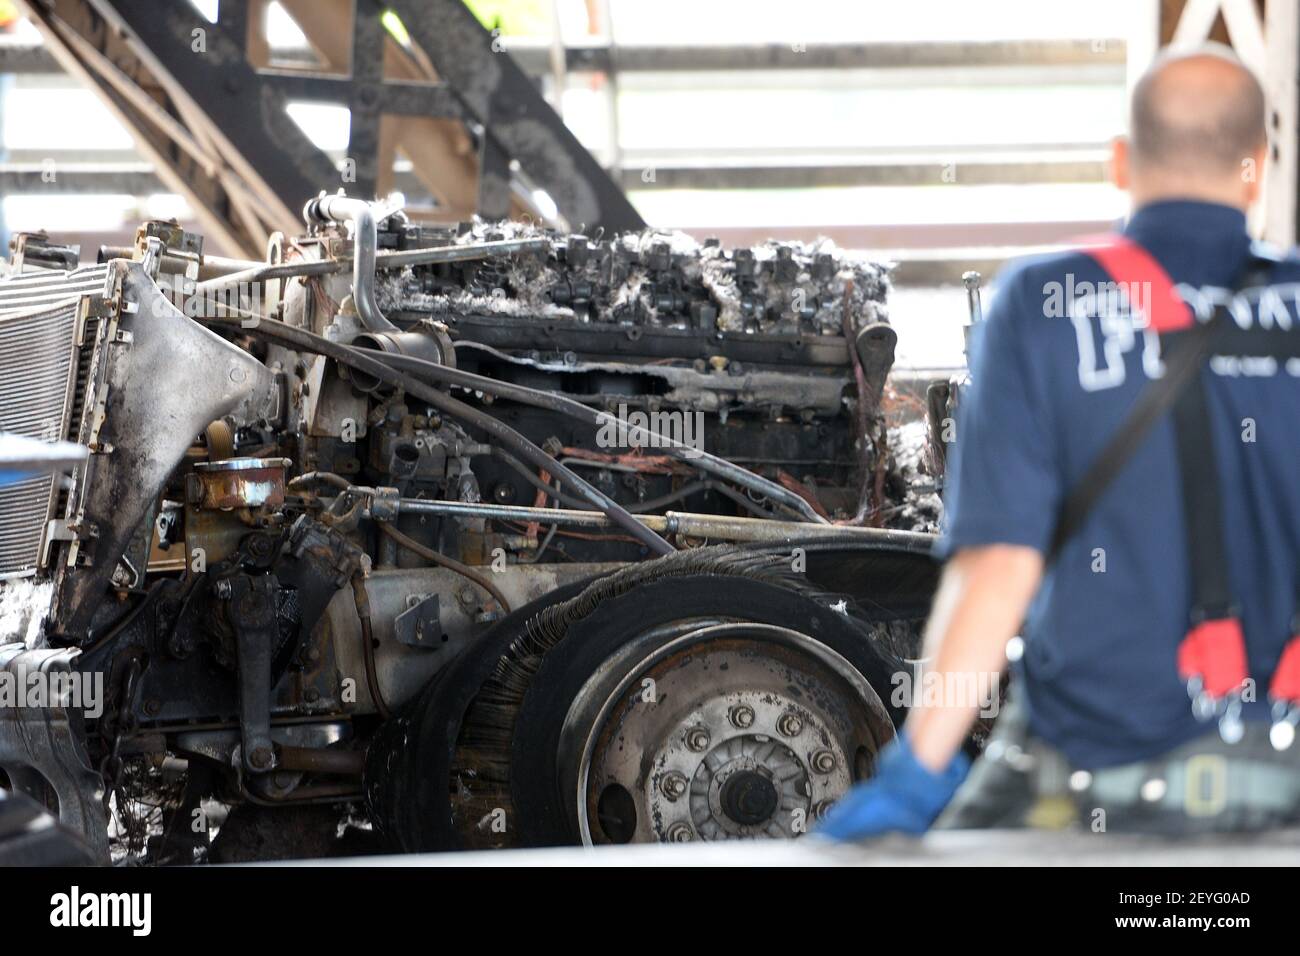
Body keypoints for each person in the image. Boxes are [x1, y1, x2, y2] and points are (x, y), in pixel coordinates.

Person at [820, 44, 1300, 839]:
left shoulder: (1045, 303)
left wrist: (918, 770)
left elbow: (998, 572)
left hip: (1088, 769)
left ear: (1121, 161)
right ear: (1261, 162)